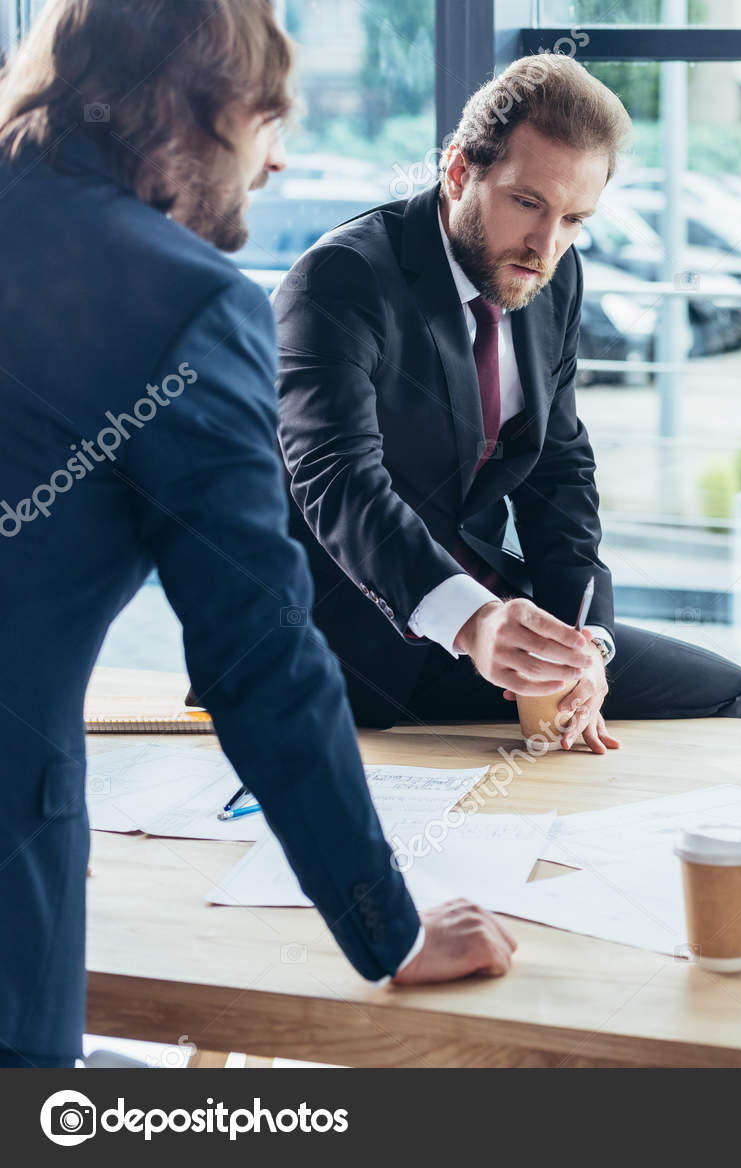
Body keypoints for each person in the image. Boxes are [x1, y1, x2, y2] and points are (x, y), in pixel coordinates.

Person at [0, 0, 515, 1069]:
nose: (276, 165)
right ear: (199, 106)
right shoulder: (179, 303)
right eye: (269, 120)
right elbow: (258, 657)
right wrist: (391, 927)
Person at [273, 54, 741, 748]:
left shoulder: (552, 278)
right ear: (460, 170)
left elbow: (559, 466)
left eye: (574, 219)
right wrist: (474, 623)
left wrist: (584, 641)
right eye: (528, 203)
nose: (546, 243)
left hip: (489, 623)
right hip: (346, 640)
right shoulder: (343, 278)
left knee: (725, 695)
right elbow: (336, 478)